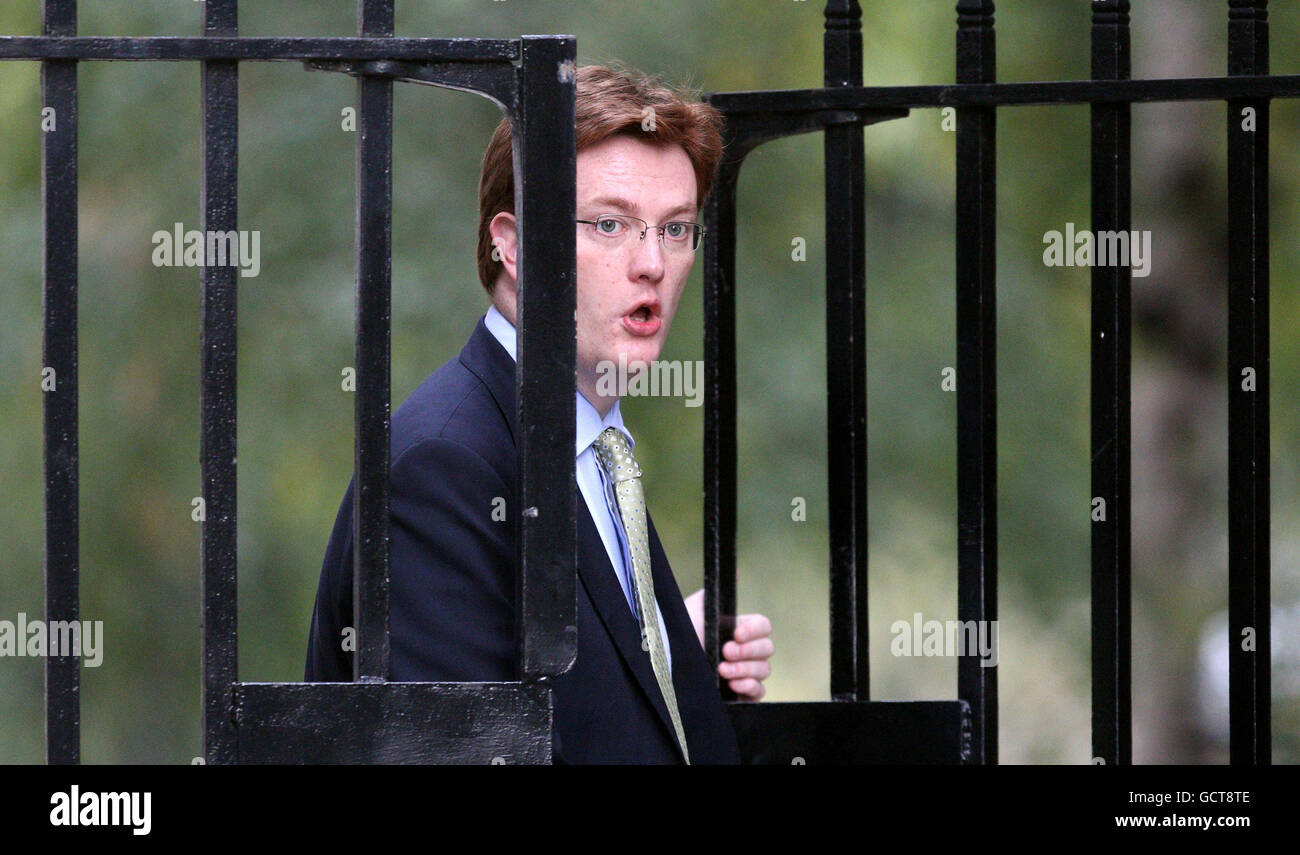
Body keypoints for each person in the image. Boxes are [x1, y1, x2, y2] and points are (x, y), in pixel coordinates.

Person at [305, 63, 773, 764]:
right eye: (611, 223)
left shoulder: (593, 443)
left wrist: (667, 654)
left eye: (676, 229)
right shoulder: (444, 466)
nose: (653, 262)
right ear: (514, 244)